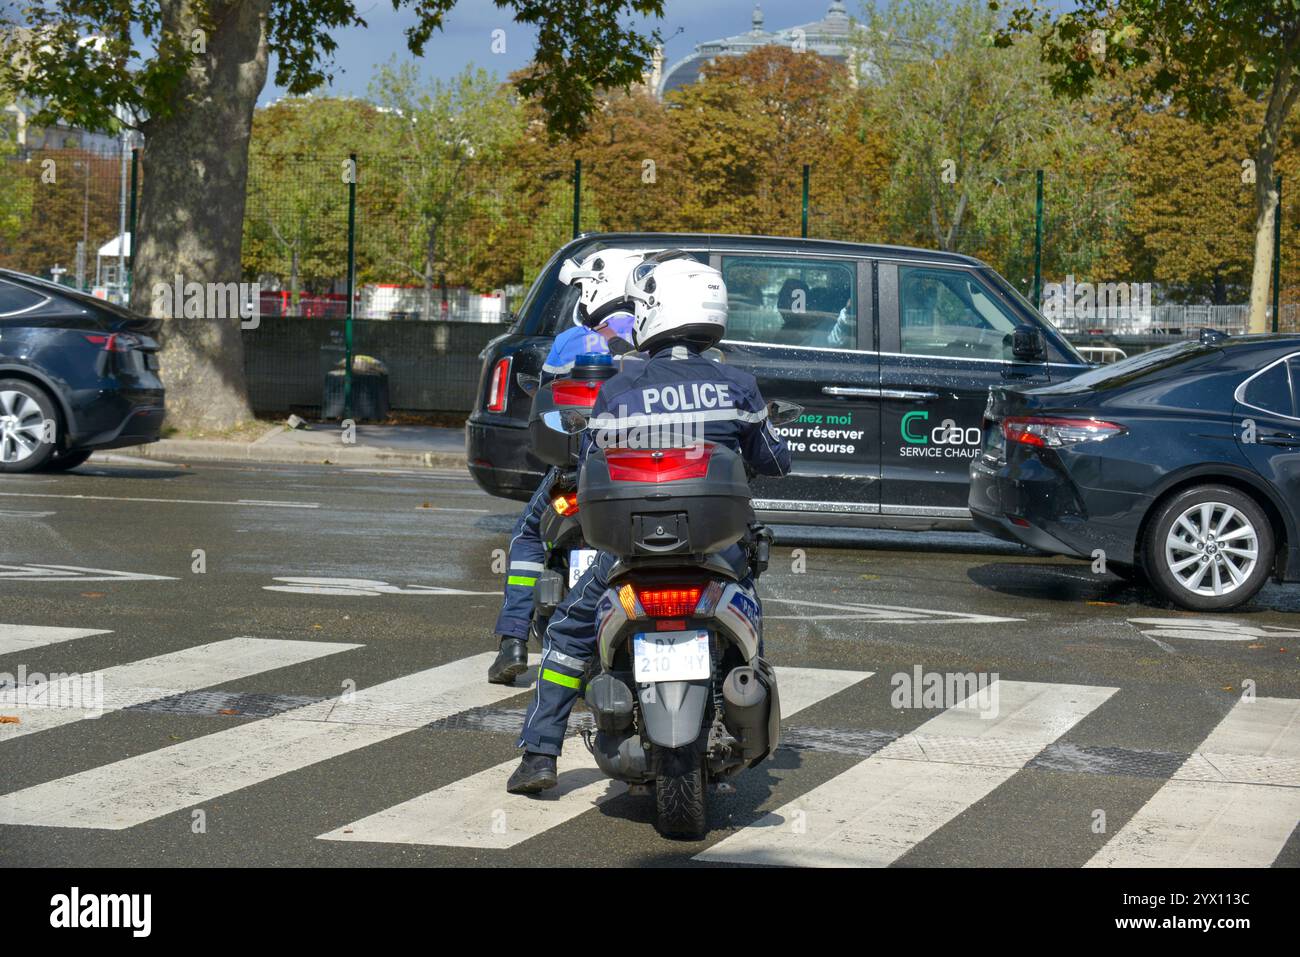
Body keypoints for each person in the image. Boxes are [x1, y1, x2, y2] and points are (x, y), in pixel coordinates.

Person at [507, 256, 792, 794]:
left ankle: (539, 755)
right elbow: (775, 462)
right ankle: (741, 704)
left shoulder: (619, 385)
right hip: (717, 552)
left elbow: (589, 459)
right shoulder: (737, 384)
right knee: (749, 623)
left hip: (629, 554)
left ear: (654, 312)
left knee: (569, 632)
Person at [487, 248, 645, 685]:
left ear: (598, 288)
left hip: (576, 473)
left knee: (526, 537)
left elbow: (548, 402)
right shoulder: (651, 340)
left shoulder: (573, 341)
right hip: (637, 473)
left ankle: (513, 642)